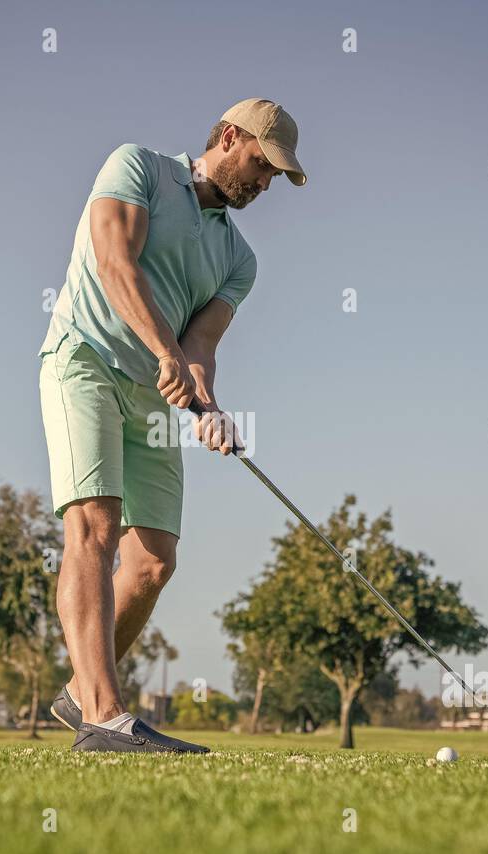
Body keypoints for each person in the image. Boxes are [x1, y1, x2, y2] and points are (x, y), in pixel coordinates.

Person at [37, 99, 306, 753]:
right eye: (261, 164)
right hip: (87, 366)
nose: (264, 183)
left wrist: (208, 405)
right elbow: (115, 264)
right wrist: (166, 356)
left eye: (275, 176)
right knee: (94, 532)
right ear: (228, 135)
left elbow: (201, 345)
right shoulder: (139, 169)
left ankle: (80, 695)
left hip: (154, 402)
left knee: (155, 561)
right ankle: (106, 717)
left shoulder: (239, 258)